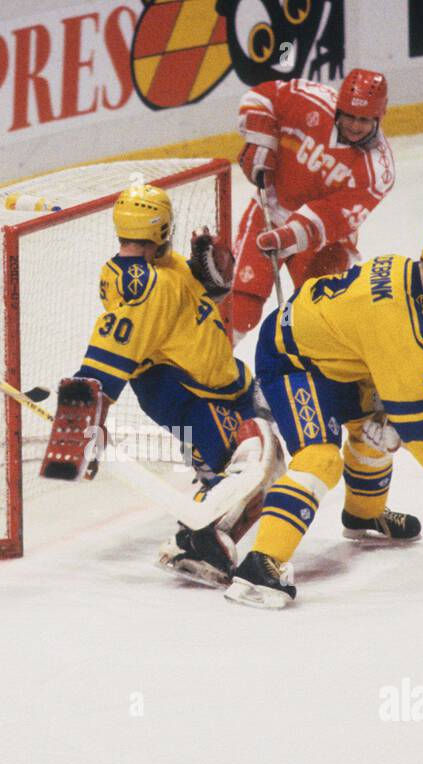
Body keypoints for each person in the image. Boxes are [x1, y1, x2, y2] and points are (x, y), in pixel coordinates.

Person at [226, 225, 423, 609]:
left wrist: (392, 417)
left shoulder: (398, 266)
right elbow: (415, 412)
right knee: (320, 459)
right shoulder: (405, 324)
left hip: (332, 354)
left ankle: (364, 515)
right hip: (292, 363)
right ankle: (261, 562)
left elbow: (389, 371)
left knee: (376, 429)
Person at [41, 184, 281, 586]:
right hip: (185, 393)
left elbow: (194, 306)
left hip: (221, 383)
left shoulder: (168, 266)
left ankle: (208, 536)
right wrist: (85, 416)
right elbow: (111, 350)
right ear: (163, 227)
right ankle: (195, 542)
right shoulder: (146, 287)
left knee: (264, 470)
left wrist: (215, 279)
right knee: (247, 458)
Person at [226, 68, 396, 340]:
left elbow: (333, 217)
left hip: (325, 241)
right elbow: (259, 98)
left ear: (379, 116)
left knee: (325, 315)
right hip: (271, 210)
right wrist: (261, 142)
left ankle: (334, 365)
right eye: (349, 116)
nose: (354, 126)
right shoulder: (309, 100)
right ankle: (210, 364)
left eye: (364, 120)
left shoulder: (377, 170)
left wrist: (288, 236)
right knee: (240, 307)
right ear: (338, 106)